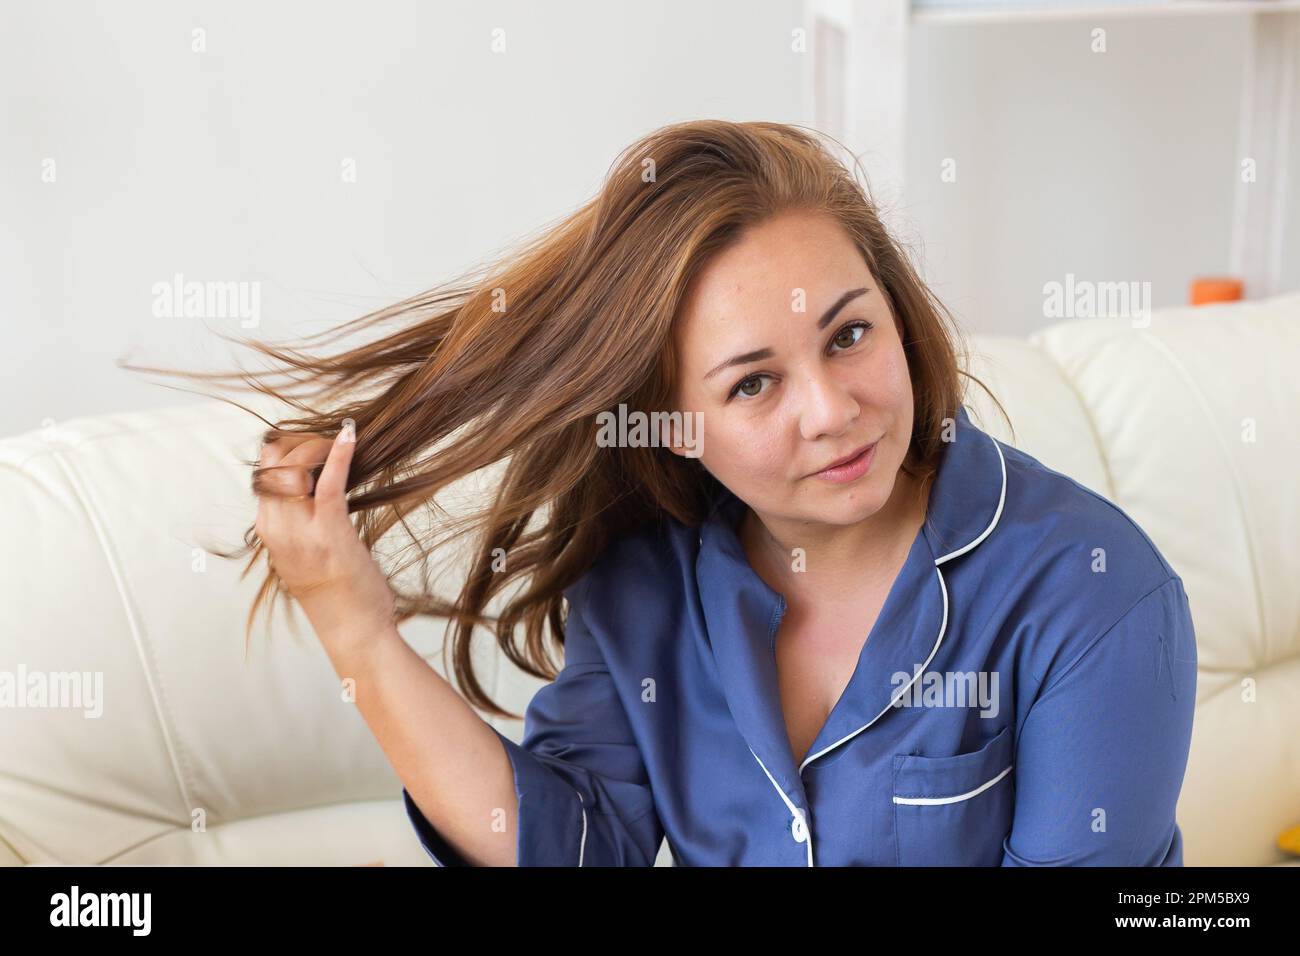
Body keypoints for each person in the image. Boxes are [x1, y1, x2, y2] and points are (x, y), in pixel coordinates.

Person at [137, 120, 1197, 865]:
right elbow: (568, 843)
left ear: (896, 309)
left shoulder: (1091, 594)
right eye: (753, 382)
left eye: (849, 333)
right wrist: (354, 630)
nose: (831, 409)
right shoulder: (646, 579)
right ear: (672, 424)